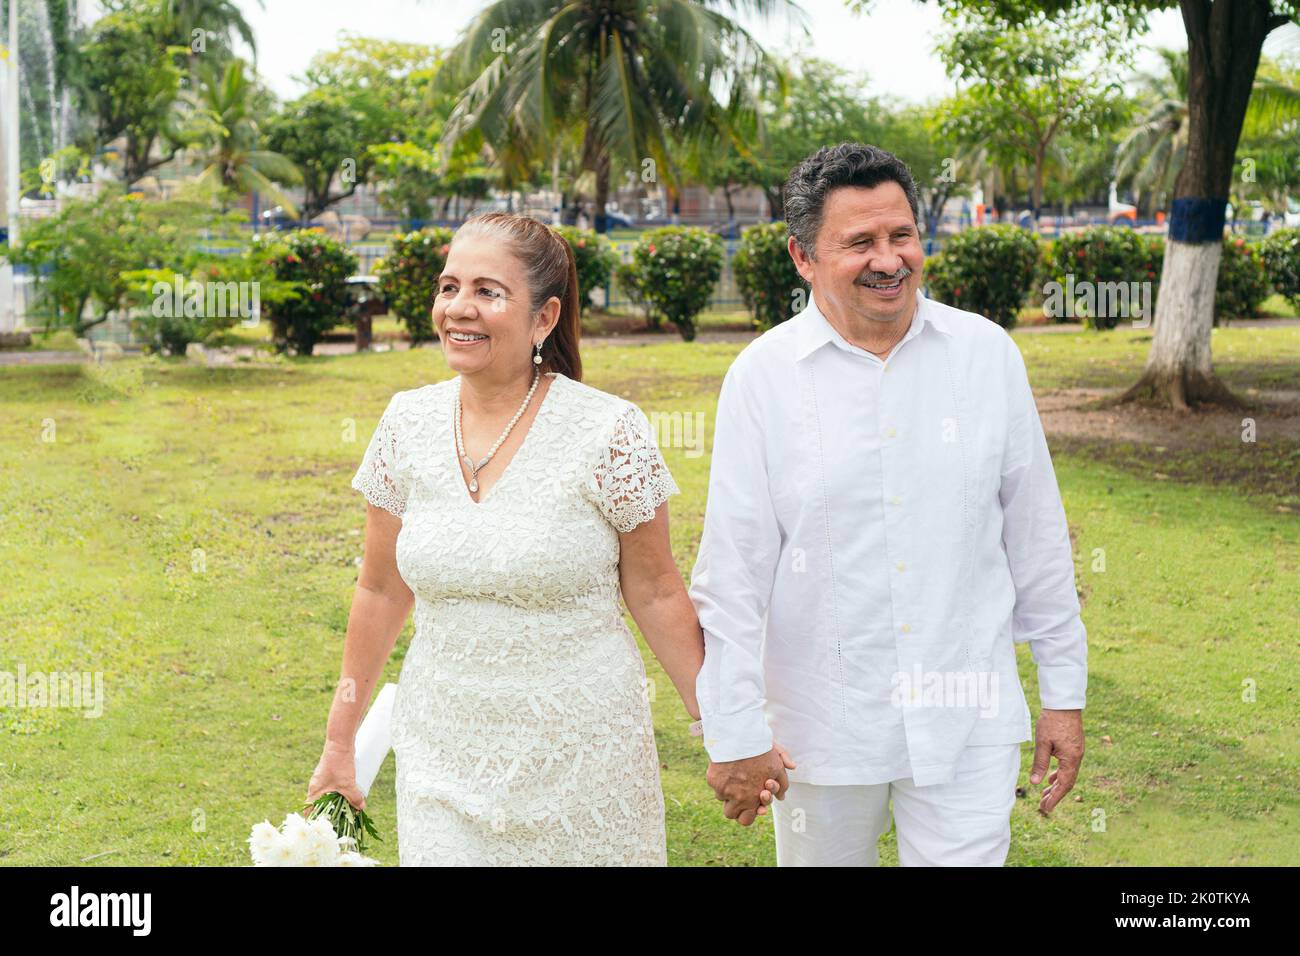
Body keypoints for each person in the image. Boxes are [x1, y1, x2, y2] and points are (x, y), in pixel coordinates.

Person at [306, 212, 779, 865]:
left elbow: (656, 592)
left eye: (486, 292)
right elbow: (380, 591)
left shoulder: (608, 431)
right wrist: (339, 741)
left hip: (583, 765)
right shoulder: (404, 424)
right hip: (442, 753)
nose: (458, 308)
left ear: (544, 318)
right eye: (449, 287)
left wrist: (728, 731)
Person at [690, 143, 1088, 866]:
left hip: (968, 720)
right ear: (803, 257)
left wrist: (1064, 693)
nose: (889, 259)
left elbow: (1037, 538)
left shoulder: (985, 354)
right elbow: (735, 573)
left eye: (901, 235)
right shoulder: (763, 379)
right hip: (823, 729)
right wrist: (735, 728)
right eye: (860, 242)